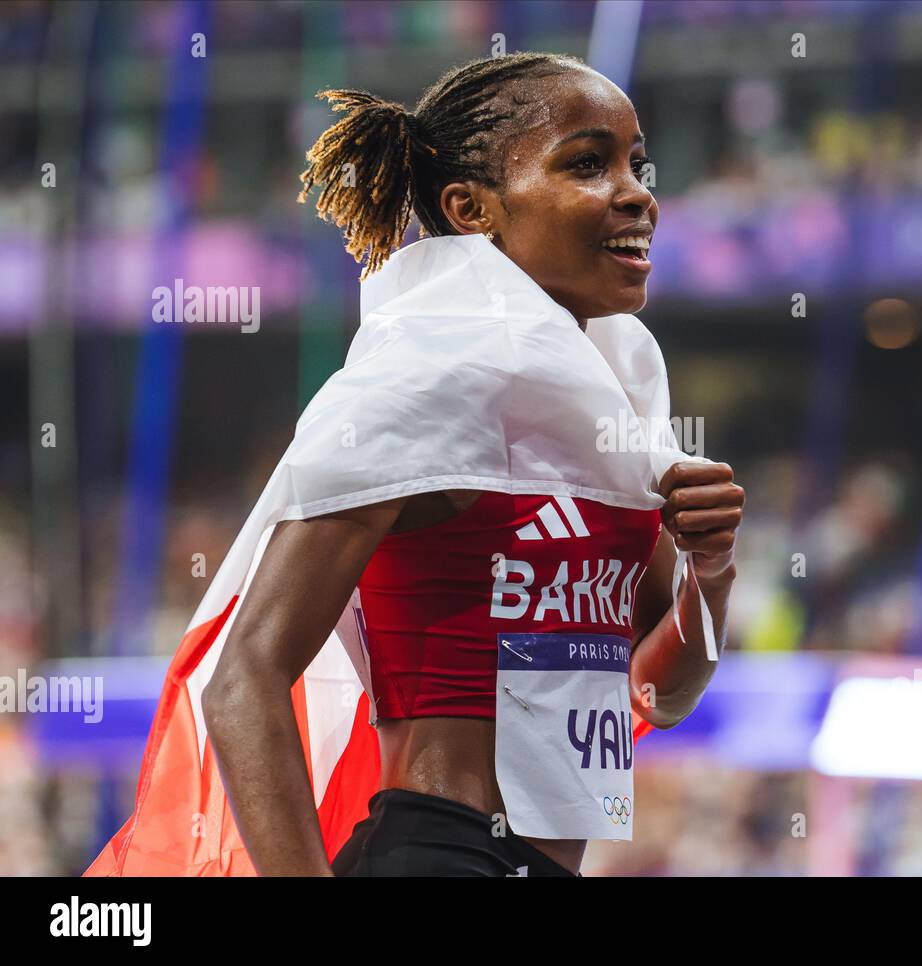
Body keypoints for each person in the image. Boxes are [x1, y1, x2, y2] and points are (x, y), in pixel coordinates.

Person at [199, 52, 744, 877]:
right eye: (588, 164)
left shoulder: (621, 402)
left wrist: (713, 570)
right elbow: (242, 679)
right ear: (470, 209)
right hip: (437, 852)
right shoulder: (419, 377)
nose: (638, 193)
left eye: (637, 163)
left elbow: (660, 695)